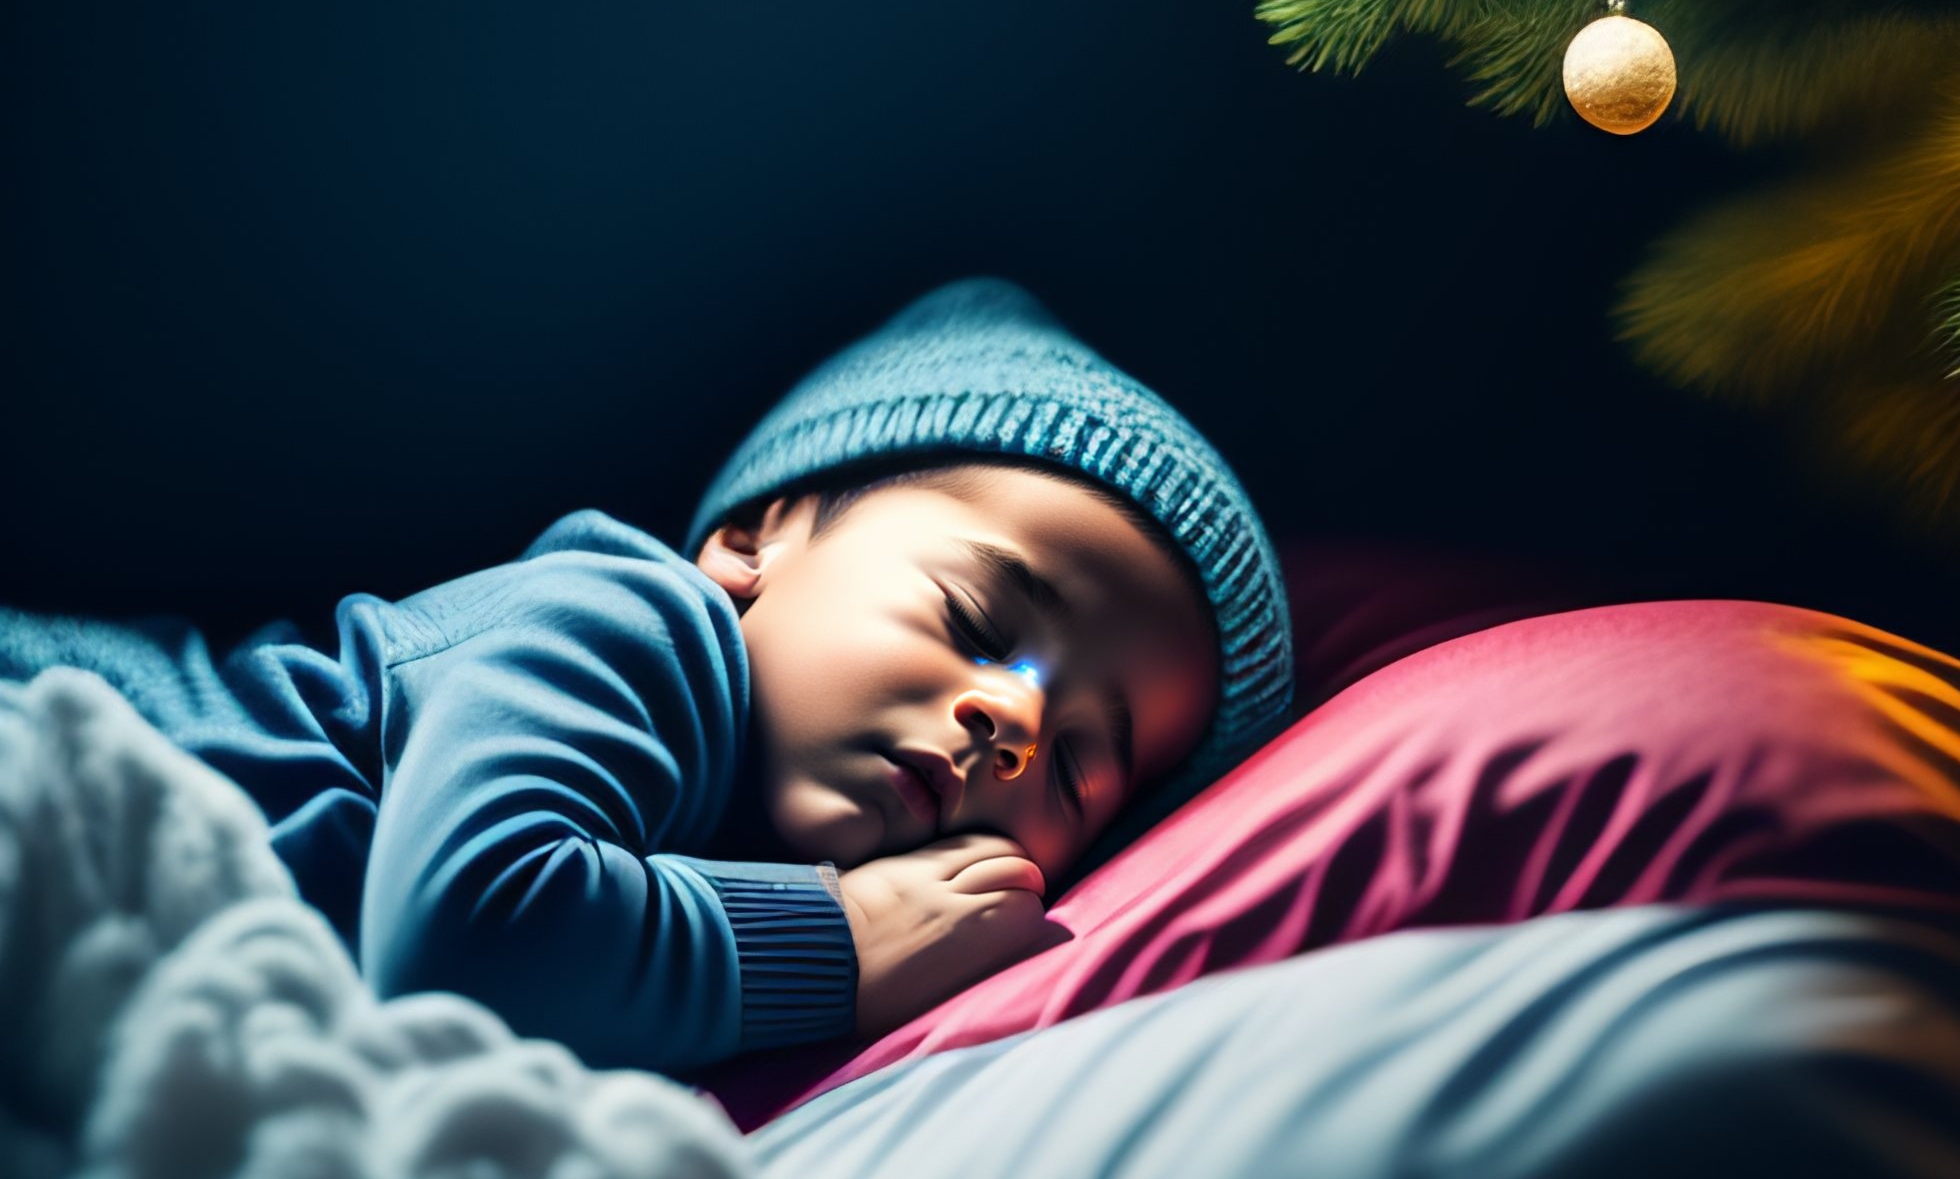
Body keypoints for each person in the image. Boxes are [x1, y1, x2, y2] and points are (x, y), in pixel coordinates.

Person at [0, 280, 1292, 1075]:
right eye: (972, 615)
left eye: (1079, 761)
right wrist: (837, 949)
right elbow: (466, 932)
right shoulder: (640, 624)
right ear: (754, 542)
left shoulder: (706, 859)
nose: (1010, 718)